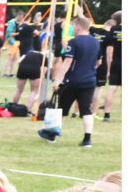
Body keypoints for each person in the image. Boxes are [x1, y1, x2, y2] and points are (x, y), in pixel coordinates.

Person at [44, 12, 102, 146]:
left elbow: (67, 62)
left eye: (74, 26)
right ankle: (87, 139)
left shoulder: (74, 42)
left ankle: (51, 134)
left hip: (73, 80)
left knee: (62, 109)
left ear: (79, 27)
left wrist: (58, 80)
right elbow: (99, 62)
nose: (72, 28)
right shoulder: (96, 42)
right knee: (86, 110)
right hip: (89, 80)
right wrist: (89, 69)